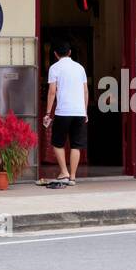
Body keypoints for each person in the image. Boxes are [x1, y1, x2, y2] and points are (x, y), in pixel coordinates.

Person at [42, 40, 88, 187]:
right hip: (79, 112)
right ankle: (73, 177)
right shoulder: (80, 68)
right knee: (76, 145)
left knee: (57, 142)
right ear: (70, 53)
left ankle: (64, 172)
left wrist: (48, 113)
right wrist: (85, 111)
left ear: (55, 54)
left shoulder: (54, 68)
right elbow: (85, 91)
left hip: (63, 111)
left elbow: (52, 92)